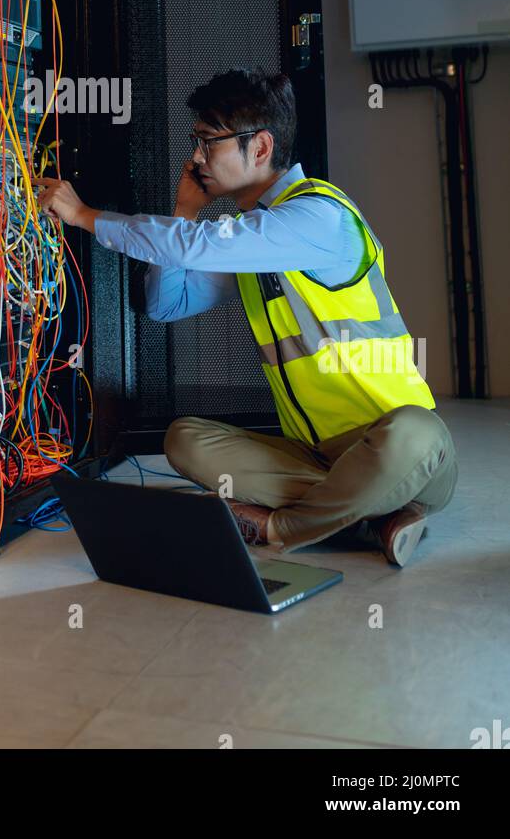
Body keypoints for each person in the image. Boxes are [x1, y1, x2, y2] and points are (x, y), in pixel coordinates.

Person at [33, 68, 458, 567]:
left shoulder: (317, 216)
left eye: (207, 142)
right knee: (184, 438)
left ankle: (281, 525)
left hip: (397, 446)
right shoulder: (257, 240)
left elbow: (201, 248)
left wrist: (86, 217)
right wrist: (185, 211)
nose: (194, 157)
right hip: (314, 459)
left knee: (416, 433)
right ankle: (373, 514)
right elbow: (165, 304)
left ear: (259, 148)